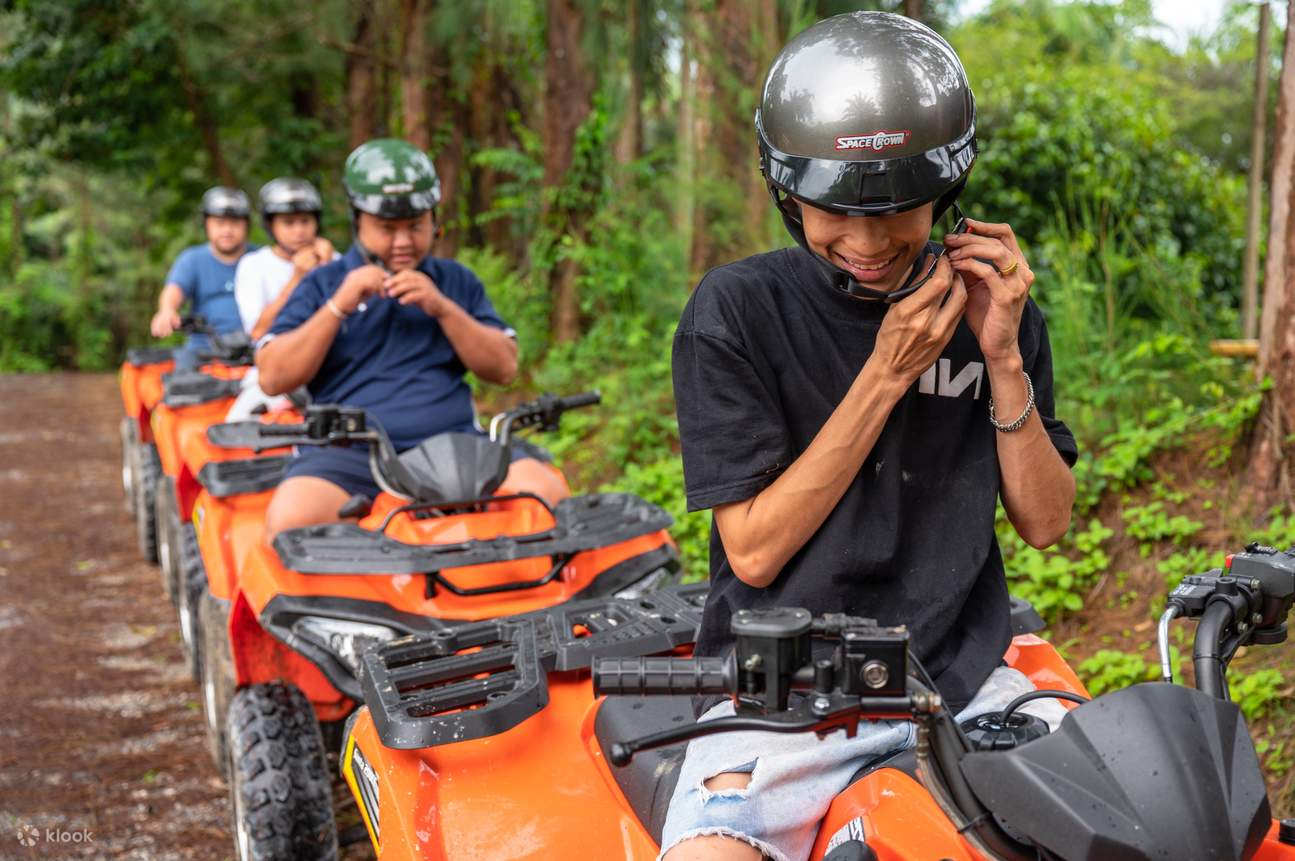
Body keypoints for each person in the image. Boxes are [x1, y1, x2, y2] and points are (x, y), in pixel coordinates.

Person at [661, 13, 1078, 861]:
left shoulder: (990, 306)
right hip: (781, 696)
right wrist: (887, 371)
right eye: (832, 213)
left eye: (896, 212)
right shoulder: (736, 312)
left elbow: (1045, 522)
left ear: (947, 188)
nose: (866, 242)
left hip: (959, 678)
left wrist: (1001, 356)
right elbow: (751, 550)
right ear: (787, 195)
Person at [256, 139, 566, 537]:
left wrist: (441, 307)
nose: (403, 242)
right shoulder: (324, 283)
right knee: (289, 522)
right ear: (357, 222)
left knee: (548, 494)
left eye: (416, 226)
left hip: (457, 446)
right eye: (387, 229)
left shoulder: (455, 280)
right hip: (348, 454)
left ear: (433, 220)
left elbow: (504, 367)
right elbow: (272, 377)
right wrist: (338, 306)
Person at [225, 178, 335, 420]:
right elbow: (258, 331)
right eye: (288, 223)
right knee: (237, 425)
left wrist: (327, 268)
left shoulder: (334, 260)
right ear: (271, 226)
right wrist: (298, 278)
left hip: (332, 368)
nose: (299, 231)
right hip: (275, 374)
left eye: (305, 221)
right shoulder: (254, 265)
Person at [150, 186, 255, 370]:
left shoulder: (261, 257)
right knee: (179, 387)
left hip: (256, 348)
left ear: (246, 225)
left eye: (235, 223)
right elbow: (176, 288)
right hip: (204, 349)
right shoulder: (193, 259)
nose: (227, 231)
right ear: (207, 224)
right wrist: (167, 310)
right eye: (220, 223)